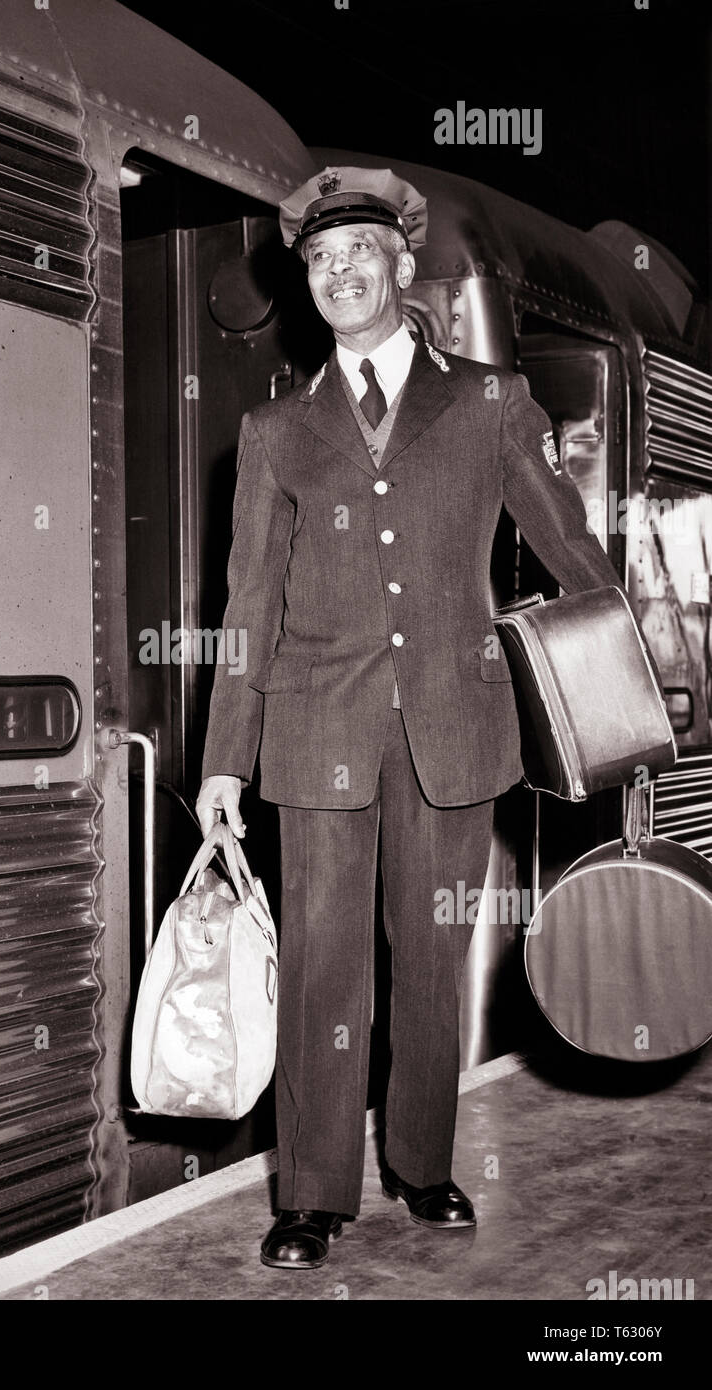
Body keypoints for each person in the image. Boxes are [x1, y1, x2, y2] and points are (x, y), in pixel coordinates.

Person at [194, 166, 625, 1270]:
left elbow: (573, 558)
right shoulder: (274, 431)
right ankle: (312, 1192)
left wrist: (628, 699)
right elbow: (247, 604)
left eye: (358, 255)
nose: (338, 274)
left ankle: (424, 1165)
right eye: (320, 261)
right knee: (323, 966)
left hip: (454, 725)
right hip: (313, 728)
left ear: (399, 266)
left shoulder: (488, 402)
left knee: (430, 961)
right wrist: (221, 768)